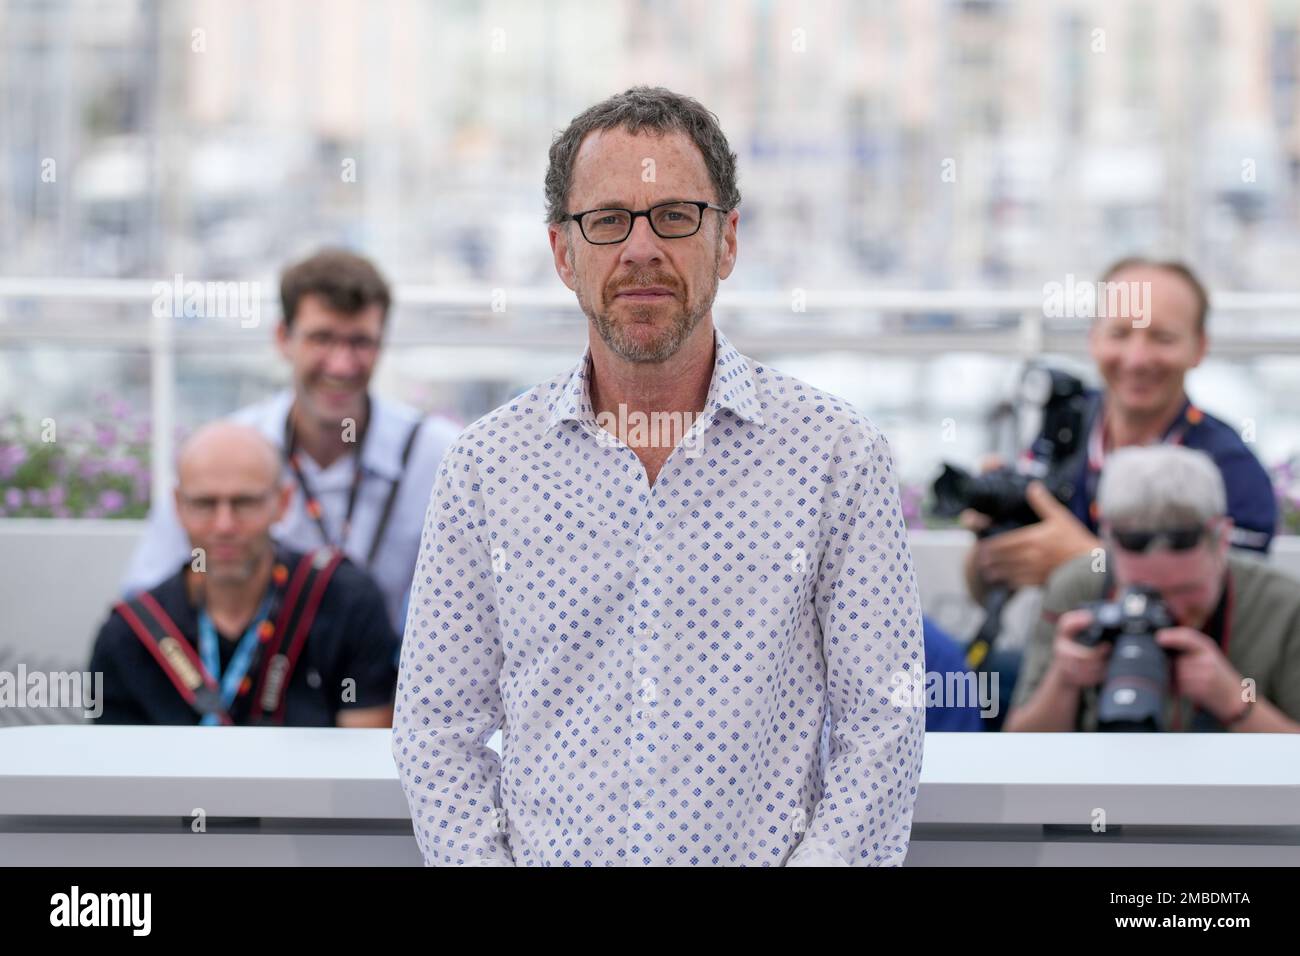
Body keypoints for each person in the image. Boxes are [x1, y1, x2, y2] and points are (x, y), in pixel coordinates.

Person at [392, 86, 925, 867]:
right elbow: (439, 730)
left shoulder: (836, 457)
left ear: (729, 241)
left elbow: (884, 722)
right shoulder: (484, 468)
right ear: (563, 253)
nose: (641, 249)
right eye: (608, 221)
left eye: (675, 216)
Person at [122, 249, 461, 632]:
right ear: (283, 338)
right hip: (255, 684)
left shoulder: (439, 457)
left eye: (360, 343)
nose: (341, 364)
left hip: (390, 686)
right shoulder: (229, 450)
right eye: (322, 339)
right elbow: (145, 604)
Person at [965, 258, 1277, 600]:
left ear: (1199, 347)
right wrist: (991, 545)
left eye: (1163, 338)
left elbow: (1236, 613)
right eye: (1120, 333)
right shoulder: (1063, 427)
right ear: (1093, 338)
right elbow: (981, 593)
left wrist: (1092, 563)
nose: (1137, 359)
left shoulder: (1231, 470)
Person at [90, 422, 400, 726]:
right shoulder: (130, 635)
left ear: (283, 503)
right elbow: (114, 771)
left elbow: (367, 764)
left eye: (244, 502)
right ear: (178, 507)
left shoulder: (346, 603)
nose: (224, 525)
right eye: (204, 503)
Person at [1004, 445, 1300, 733]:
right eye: (1142, 593)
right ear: (1109, 545)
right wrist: (1063, 681)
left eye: (1186, 590)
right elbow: (1020, 752)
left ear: (1222, 540)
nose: (1168, 610)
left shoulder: (1283, 606)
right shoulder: (1078, 588)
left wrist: (1237, 701)